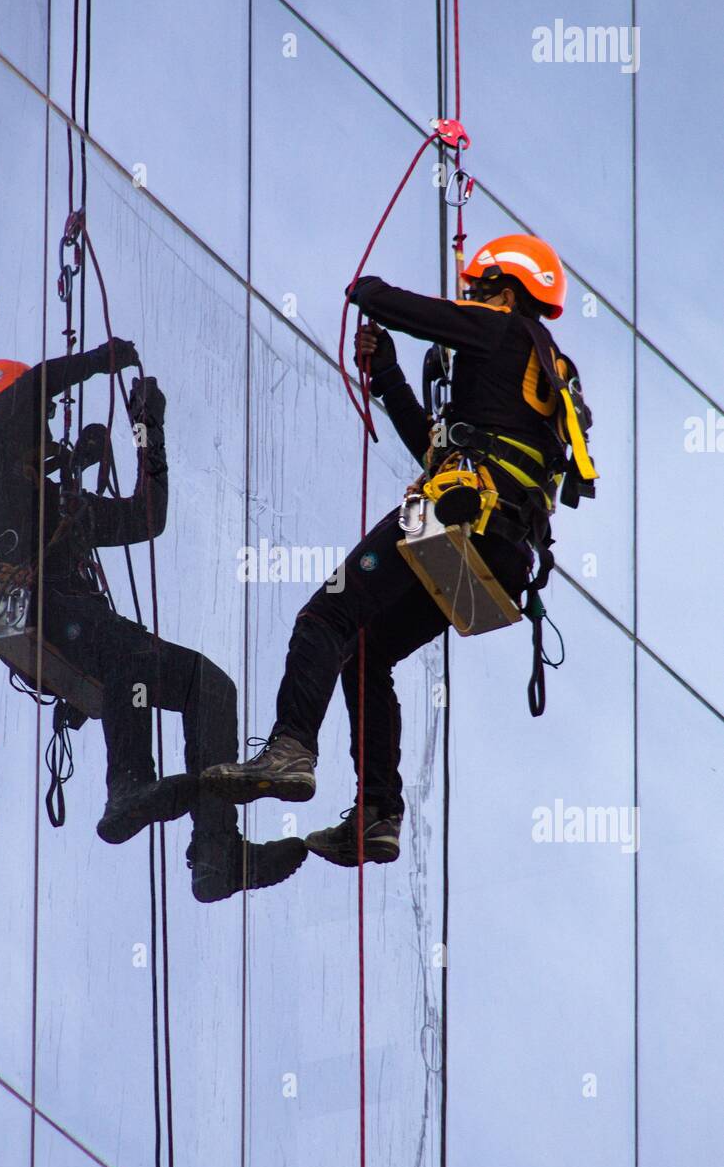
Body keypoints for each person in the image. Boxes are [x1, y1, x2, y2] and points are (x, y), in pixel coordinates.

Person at [200, 234, 595, 868]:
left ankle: (290, 748)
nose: (470, 298)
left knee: (324, 615)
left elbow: (420, 313)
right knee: (364, 653)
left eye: (478, 288)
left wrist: (370, 293)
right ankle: (378, 815)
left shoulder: (502, 328)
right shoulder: (541, 374)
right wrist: (385, 374)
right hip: (501, 551)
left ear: (507, 287)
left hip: (460, 512)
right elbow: (439, 451)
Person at [0, 342, 306, 901]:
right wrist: (103, 358)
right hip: (38, 608)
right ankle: (130, 785)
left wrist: (149, 432)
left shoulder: (47, 501)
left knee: (209, 687)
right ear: (2, 407)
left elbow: (145, 519)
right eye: (42, 416)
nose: (48, 427)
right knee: (131, 658)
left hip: (57, 618)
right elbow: (37, 388)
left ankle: (216, 851)